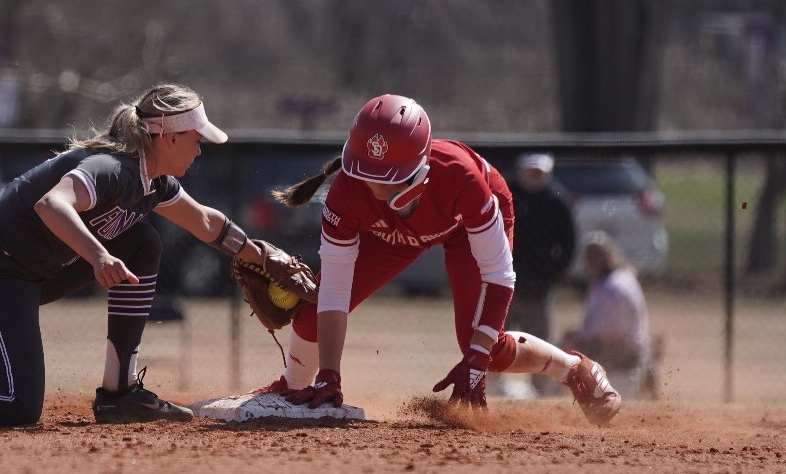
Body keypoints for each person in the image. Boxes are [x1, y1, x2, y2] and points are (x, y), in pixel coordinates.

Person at [0, 83, 296, 427]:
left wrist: (257, 253)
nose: (200, 149)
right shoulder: (111, 168)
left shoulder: (151, 183)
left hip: (32, 272)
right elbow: (51, 203)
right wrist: (96, 256)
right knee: (17, 405)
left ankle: (119, 393)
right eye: (196, 138)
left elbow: (205, 222)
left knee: (142, 241)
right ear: (166, 137)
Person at [251, 94, 622, 426]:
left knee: (485, 347)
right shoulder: (347, 193)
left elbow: (499, 274)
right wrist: (328, 375)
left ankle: (575, 369)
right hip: (395, 232)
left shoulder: (462, 178)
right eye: (365, 173)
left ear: (421, 170)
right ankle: (291, 388)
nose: (373, 189)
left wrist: (476, 360)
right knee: (312, 311)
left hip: (461, 226)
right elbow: (334, 293)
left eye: (388, 178)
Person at [500, 152, 576, 397]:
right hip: (504, 284)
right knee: (495, 336)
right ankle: (489, 385)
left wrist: (554, 273)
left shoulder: (556, 200)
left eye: (539, 172)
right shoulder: (506, 195)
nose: (534, 176)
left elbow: (568, 242)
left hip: (539, 288)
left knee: (540, 340)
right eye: (530, 171)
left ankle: (540, 391)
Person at [560, 231, 651, 400]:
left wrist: (578, 336)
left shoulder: (613, 287)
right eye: (588, 257)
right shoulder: (617, 278)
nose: (590, 262)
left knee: (560, 353)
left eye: (595, 256)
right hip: (624, 345)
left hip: (621, 349)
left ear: (607, 256)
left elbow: (610, 331)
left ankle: (552, 401)